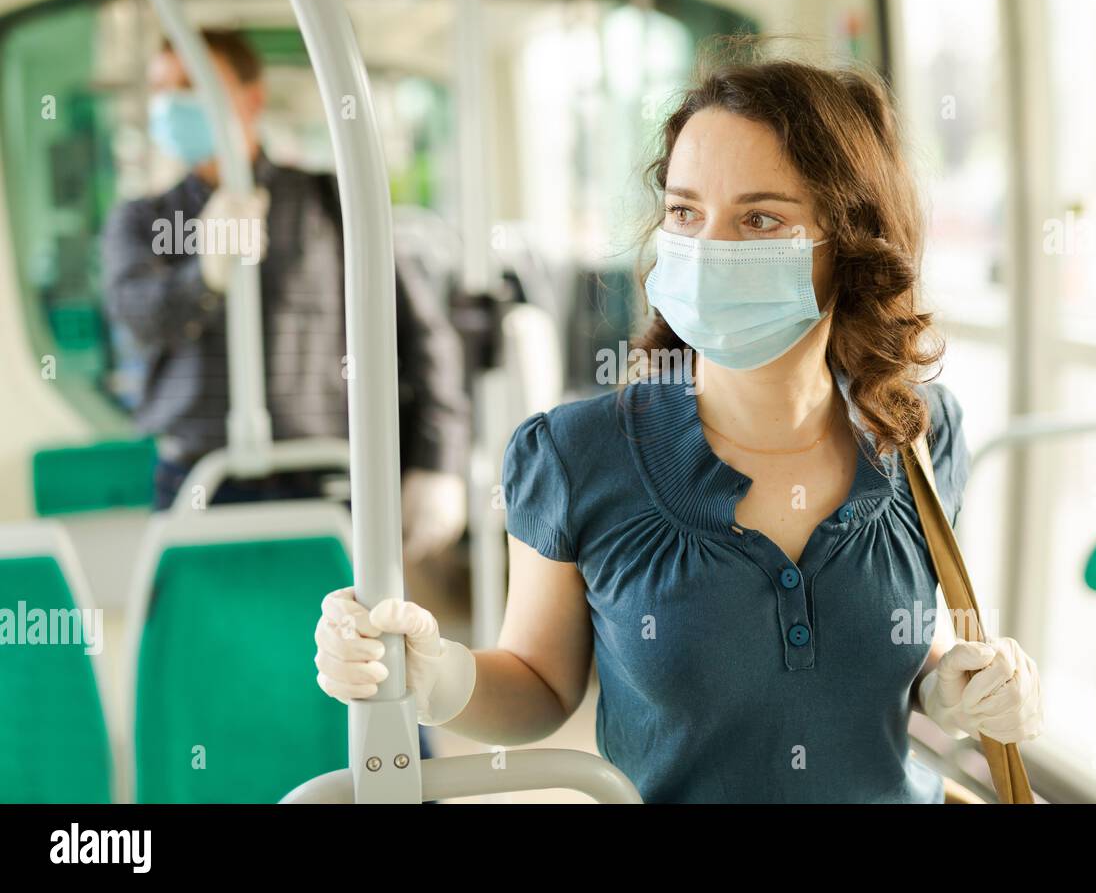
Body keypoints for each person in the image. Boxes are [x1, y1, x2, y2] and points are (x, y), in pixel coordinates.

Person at [312, 45, 1044, 802]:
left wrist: (952, 690)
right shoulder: (575, 455)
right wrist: (437, 677)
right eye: (686, 212)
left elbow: (888, 651)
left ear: (849, 245)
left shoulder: (920, 433)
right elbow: (539, 685)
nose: (709, 249)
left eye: (760, 218)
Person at [102, 29, 469, 566]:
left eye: (189, 85)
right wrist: (203, 277)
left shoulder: (333, 201)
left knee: (339, 646)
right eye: (161, 90)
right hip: (198, 483)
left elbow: (421, 334)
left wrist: (441, 459)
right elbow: (139, 322)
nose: (170, 105)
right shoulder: (143, 220)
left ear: (251, 98)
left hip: (326, 476)